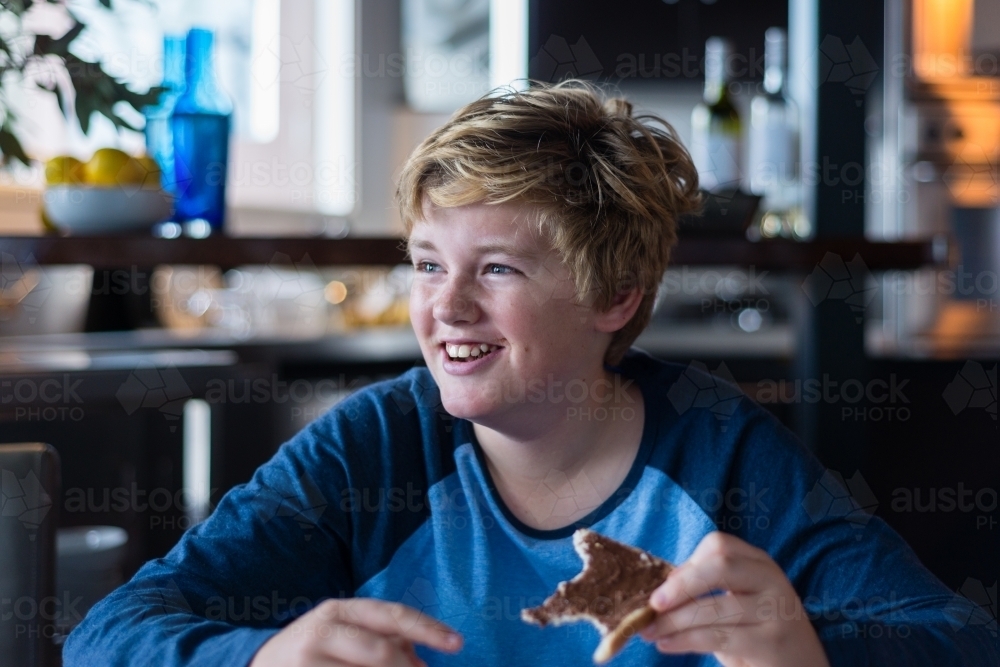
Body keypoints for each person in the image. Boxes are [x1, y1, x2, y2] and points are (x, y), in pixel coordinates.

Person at [64, 80, 996, 667]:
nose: (446, 307)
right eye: (430, 264)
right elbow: (109, 633)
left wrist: (814, 651)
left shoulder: (723, 460)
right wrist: (261, 655)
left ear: (616, 297)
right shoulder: (374, 450)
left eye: (498, 268)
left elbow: (958, 638)